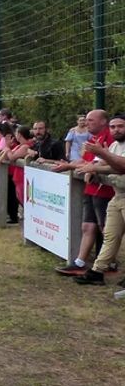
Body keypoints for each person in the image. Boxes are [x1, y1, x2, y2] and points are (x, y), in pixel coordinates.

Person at [52, 110, 115, 276]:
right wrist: (70, 165)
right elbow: (85, 161)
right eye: (86, 120)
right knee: (87, 226)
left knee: (106, 228)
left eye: (91, 120)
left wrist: (85, 167)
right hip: (91, 188)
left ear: (103, 121)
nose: (87, 123)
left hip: (105, 190)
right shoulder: (93, 139)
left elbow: (107, 159)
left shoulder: (110, 137)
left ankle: (108, 263)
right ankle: (80, 263)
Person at [74, 114, 125, 285]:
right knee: (110, 236)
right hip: (117, 196)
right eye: (113, 127)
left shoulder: (109, 147)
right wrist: (94, 167)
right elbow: (106, 163)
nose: (116, 130)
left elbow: (121, 166)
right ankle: (97, 271)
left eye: (120, 126)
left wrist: (99, 159)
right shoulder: (113, 145)